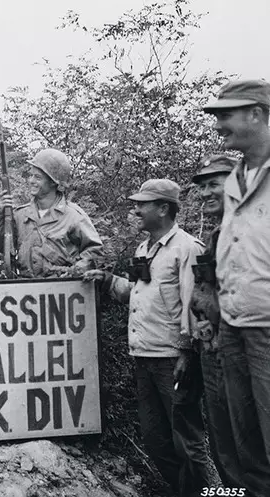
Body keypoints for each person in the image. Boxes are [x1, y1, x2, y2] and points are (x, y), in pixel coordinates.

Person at [83, 179, 209, 496]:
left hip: (173, 360)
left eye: (143, 204)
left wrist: (187, 354)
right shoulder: (145, 248)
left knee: (186, 437)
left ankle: (202, 492)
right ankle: (184, 490)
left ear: (163, 208)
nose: (136, 209)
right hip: (144, 357)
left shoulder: (187, 248)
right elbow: (138, 295)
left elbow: (195, 306)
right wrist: (108, 280)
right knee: (154, 438)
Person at [202, 78, 270, 495]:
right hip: (234, 325)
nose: (218, 126)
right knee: (248, 448)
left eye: (226, 115)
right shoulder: (235, 179)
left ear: (258, 114)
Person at [189, 154, 258, 491]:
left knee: (250, 445)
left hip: (246, 353)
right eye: (202, 186)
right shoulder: (219, 235)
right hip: (215, 350)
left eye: (213, 184)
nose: (204, 192)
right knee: (223, 444)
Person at [0, 148, 103, 278]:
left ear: (53, 182)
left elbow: (94, 252)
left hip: (62, 290)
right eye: (31, 175)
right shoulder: (21, 214)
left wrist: (75, 272)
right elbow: (5, 247)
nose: (31, 180)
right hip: (26, 288)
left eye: (38, 177)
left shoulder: (73, 216)